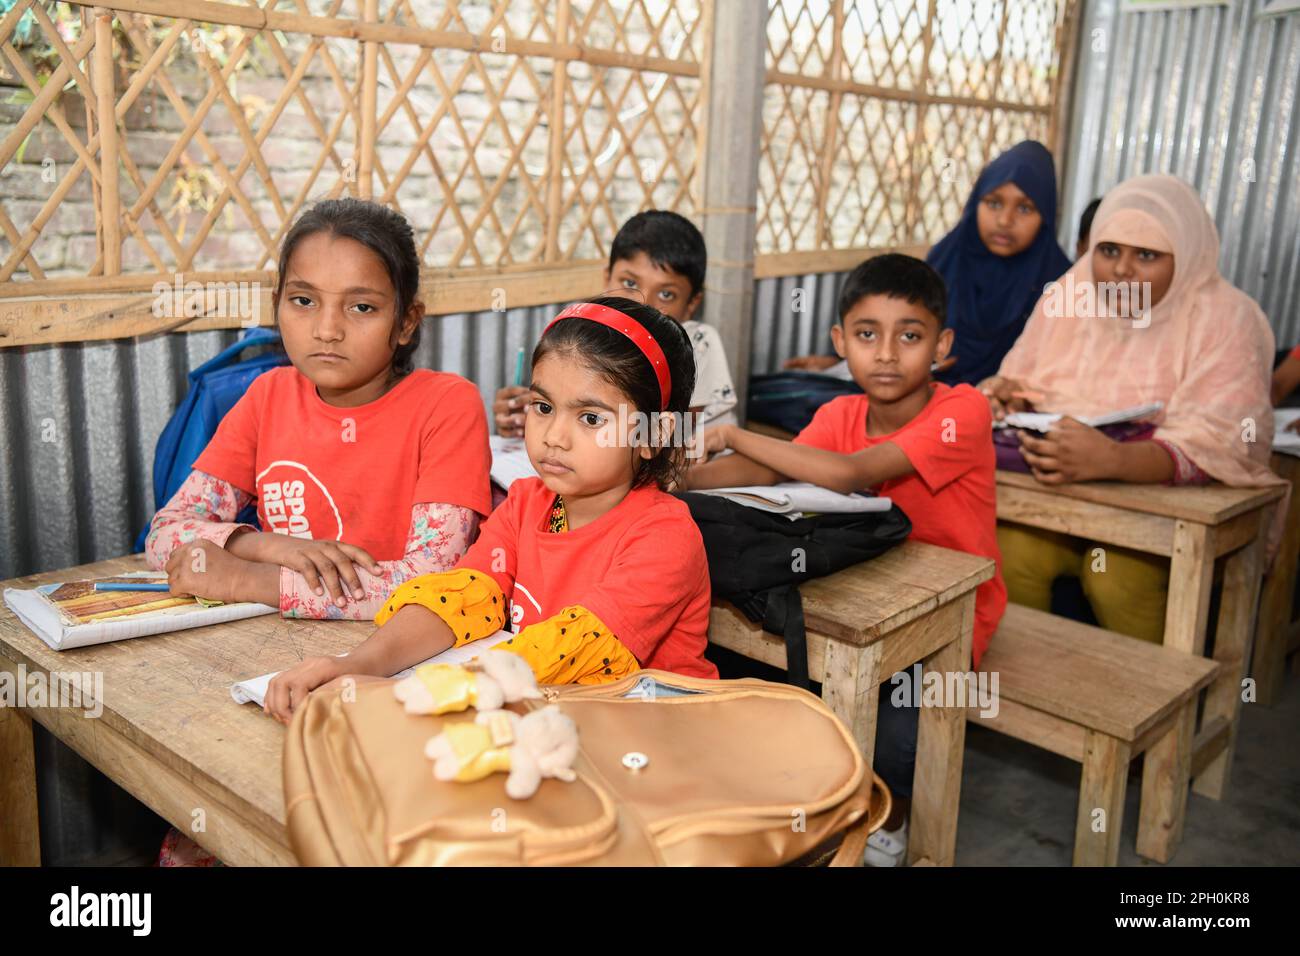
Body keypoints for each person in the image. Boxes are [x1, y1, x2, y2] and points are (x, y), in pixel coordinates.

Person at [685, 254, 1006, 867]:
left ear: (942, 345)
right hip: (863, 586)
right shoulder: (840, 414)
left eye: (909, 336)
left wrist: (732, 434)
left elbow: (849, 472)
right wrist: (678, 479)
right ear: (840, 342)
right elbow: (767, 468)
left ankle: (896, 814)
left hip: (950, 609)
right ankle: (806, 799)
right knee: (770, 682)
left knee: (898, 744)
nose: (886, 354)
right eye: (866, 335)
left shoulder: (961, 413)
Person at [264, 296, 717, 724]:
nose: (554, 436)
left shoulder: (664, 535)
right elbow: (461, 596)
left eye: (590, 418)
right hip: (546, 720)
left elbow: (573, 646)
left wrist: (422, 692)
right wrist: (357, 664)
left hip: (653, 739)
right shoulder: (526, 503)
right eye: (543, 407)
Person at [146, 199, 492, 619]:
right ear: (278, 304)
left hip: (395, 660)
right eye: (303, 301)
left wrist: (247, 579)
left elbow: (433, 580)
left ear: (406, 322)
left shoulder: (446, 406)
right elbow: (164, 533)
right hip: (266, 648)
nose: (327, 330)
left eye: (361, 307)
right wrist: (264, 545)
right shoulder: (267, 396)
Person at [981, 174, 1284, 643]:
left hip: (1169, 520)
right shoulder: (1071, 294)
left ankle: (1154, 714)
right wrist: (1006, 395)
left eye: (1146, 255)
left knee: (1116, 580)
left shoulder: (1226, 319)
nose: (1121, 270)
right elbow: (1026, 379)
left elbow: (1225, 439)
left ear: (1185, 256)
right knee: (1013, 553)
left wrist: (1116, 459)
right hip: (1065, 504)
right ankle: (1044, 701)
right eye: (1108, 250)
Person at [785, 141, 1072, 387]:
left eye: (1024, 208)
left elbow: (1060, 371)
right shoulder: (947, 259)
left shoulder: (1062, 283)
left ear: (1045, 215)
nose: (1005, 220)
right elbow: (895, 326)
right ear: (975, 203)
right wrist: (838, 361)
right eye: (994, 203)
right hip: (915, 390)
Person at [493, 211, 737, 437]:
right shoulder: (587, 335)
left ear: (692, 303)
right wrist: (532, 412)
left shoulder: (699, 343)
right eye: (630, 284)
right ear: (607, 278)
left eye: (666, 295)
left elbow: (670, 437)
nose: (644, 303)